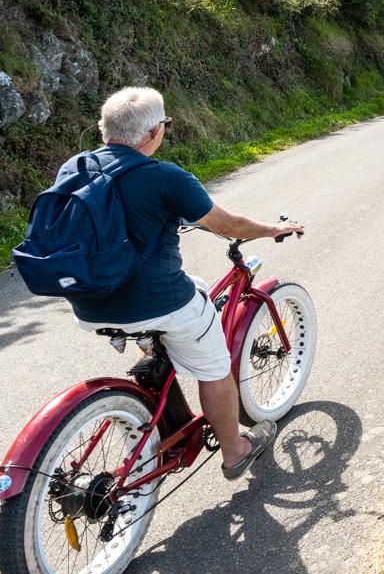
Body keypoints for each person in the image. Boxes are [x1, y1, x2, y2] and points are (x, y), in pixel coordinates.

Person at [66, 88, 304, 479]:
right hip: (155, 300)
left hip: (88, 303)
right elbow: (229, 225)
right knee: (214, 366)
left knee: (194, 287)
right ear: (154, 131)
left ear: (105, 130)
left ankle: (160, 368)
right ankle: (235, 451)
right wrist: (273, 228)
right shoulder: (164, 177)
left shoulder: (76, 168)